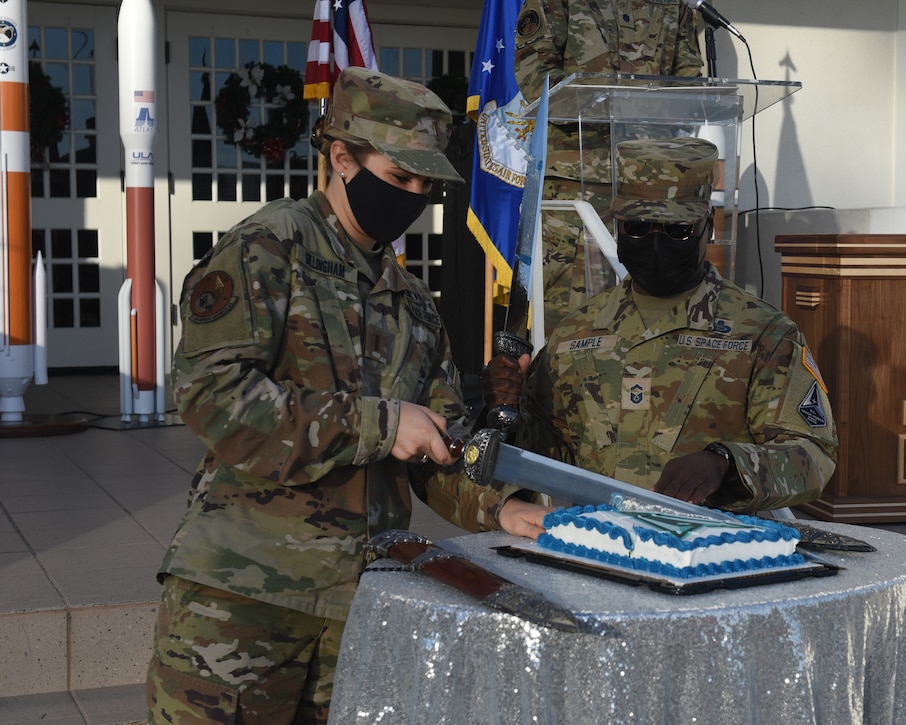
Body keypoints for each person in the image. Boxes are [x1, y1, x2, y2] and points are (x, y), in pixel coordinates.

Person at [147, 68, 547, 724]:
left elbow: (436, 446)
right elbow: (213, 399)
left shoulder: (415, 302)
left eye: (424, 185)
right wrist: (382, 423)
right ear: (341, 156)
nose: (413, 196)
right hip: (243, 602)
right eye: (399, 178)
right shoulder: (268, 250)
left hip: (362, 608)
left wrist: (498, 506)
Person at [484, 137, 838, 512]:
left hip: (715, 553)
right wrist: (505, 409)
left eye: (677, 230)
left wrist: (726, 463)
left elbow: (812, 457)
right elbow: (548, 448)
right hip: (601, 547)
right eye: (638, 228)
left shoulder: (763, 334)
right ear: (617, 225)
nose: (655, 243)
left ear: (709, 227)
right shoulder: (576, 333)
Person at [514, 0, 706, 337]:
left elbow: (690, 88)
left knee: (656, 319)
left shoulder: (677, 6)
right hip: (580, 189)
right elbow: (536, 79)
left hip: (654, 187)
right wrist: (620, 101)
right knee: (570, 325)